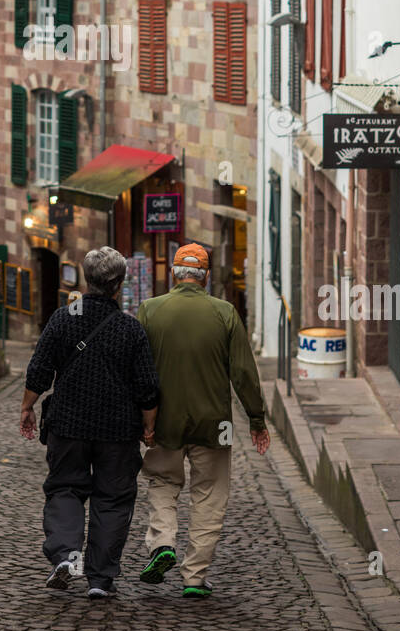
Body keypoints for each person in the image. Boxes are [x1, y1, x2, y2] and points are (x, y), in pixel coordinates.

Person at [19, 247, 159, 598]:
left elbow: (39, 369)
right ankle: (100, 579)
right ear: (120, 284)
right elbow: (146, 387)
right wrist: (149, 425)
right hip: (117, 430)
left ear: (87, 280)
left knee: (65, 488)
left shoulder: (64, 317)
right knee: (112, 499)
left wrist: (27, 407)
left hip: (68, 425)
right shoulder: (130, 329)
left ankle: (67, 556)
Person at [138, 243, 270, 598]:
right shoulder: (225, 313)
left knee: (163, 483)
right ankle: (195, 576)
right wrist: (256, 419)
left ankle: (163, 543)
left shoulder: (150, 310)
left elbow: (137, 371)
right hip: (215, 424)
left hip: (162, 421)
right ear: (206, 277)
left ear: (174, 274)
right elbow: (243, 373)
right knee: (209, 495)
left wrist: (140, 419)